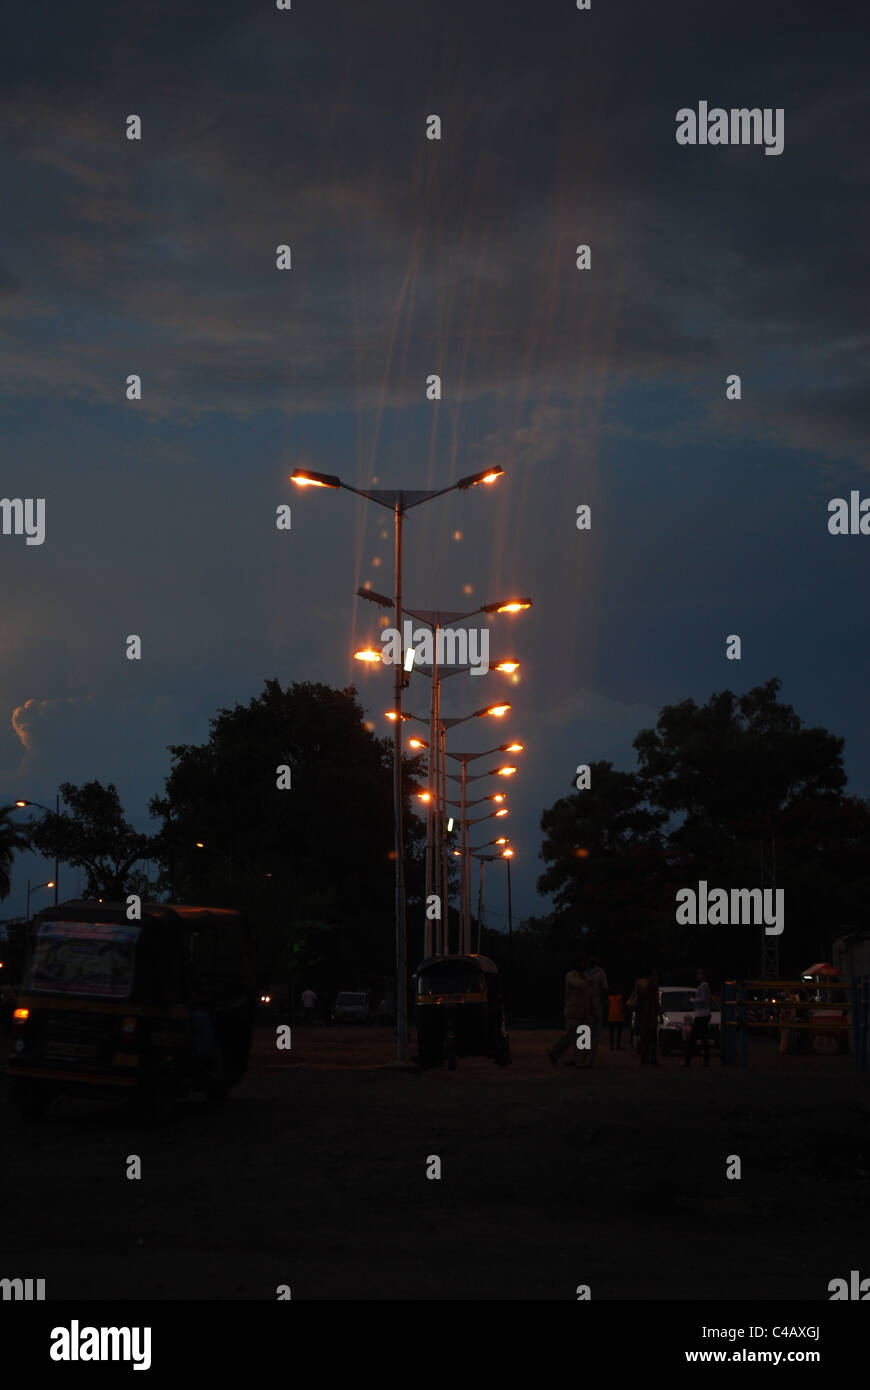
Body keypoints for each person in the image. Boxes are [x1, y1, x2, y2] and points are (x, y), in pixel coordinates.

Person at [548, 957, 596, 1068]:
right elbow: (580, 985)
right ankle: (556, 1053)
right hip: (573, 1011)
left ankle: (579, 1060)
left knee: (582, 1037)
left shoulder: (586, 976)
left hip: (584, 1011)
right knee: (571, 1035)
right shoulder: (571, 976)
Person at [631, 966, 661, 1066]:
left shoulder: (639, 983)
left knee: (644, 1038)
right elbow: (656, 1001)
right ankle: (652, 1059)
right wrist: (659, 1014)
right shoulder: (653, 984)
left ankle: (644, 1059)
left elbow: (636, 998)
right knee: (652, 1037)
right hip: (650, 1013)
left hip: (642, 1013)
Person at [684, 967, 712, 1067]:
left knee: (693, 1038)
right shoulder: (704, 986)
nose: (698, 975)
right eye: (698, 973)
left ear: (705, 975)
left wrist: (692, 1000)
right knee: (703, 1039)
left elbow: (704, 1000)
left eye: (700, 973)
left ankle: (688, 1060)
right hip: (704, 1014)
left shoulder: (703, 986)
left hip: (701, 1015)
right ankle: (705, 1060)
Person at [586, 954, 608, 1055]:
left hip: (596, 1005)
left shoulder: (600, 972)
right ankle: (582, 1056)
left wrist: (602, 1005)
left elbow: (604, 990)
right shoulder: (584, 972)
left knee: (594, 1033)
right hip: (585, 1006)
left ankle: (590, 1056)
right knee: (584, 1031)